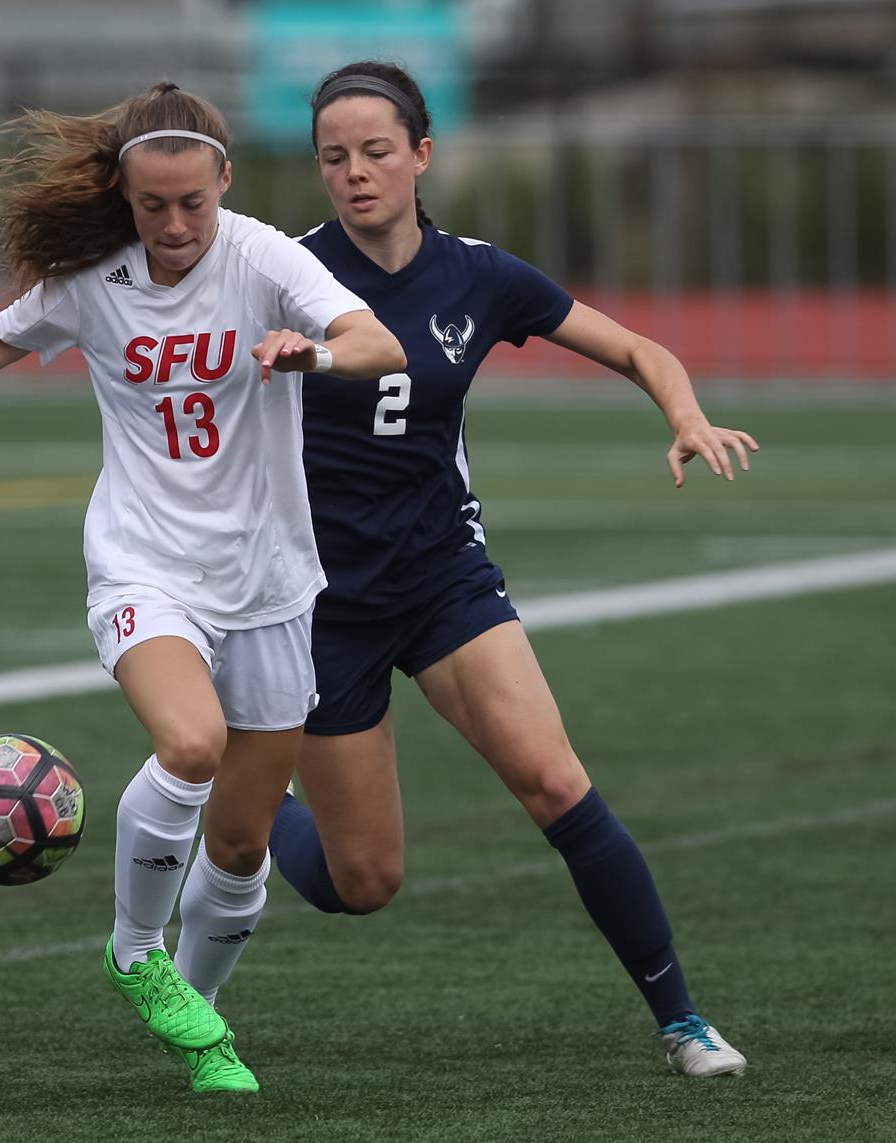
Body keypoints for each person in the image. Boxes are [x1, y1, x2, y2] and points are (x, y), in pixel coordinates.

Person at [0, 82, 404, 1094]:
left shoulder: (264, 259)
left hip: (271, 579)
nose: (172, 225)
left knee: (243, 841)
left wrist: (317, 351)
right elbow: (7, 332)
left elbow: (379, 342)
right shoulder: (93, 279)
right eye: (151, 204)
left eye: (190, 204)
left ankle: (199, 1025)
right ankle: (132, 949)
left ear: (224, 184)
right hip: (145, 561)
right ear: (124, 193)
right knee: (191, 744)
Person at [265, 61, 757, 1078]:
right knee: (363, 881)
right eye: (333, 157)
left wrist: (685, 414)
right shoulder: (282, 275)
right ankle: (249, 802)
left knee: (553, 779)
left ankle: (681, 1021)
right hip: (323, 610)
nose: (354, 174)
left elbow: (636, 349)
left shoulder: (478, 275)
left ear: (421, 156)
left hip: (444, 580)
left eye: (375, 152)